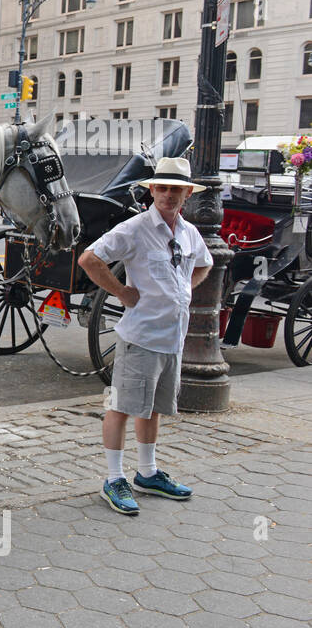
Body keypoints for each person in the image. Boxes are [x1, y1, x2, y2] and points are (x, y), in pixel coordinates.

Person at [78, 155, 213, 516]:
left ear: (187, 194)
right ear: (151, 190)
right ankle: (113, 477)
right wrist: (122, 292)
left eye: (176, 189)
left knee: (153, 407)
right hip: (140, 337)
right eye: (162, 187)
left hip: (172, 338)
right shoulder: (135, 228)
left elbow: (203, 264)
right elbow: (90, 259)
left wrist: (182, 289)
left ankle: (148, 473)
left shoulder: (189, 232)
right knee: (121, 407)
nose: (168, 194)